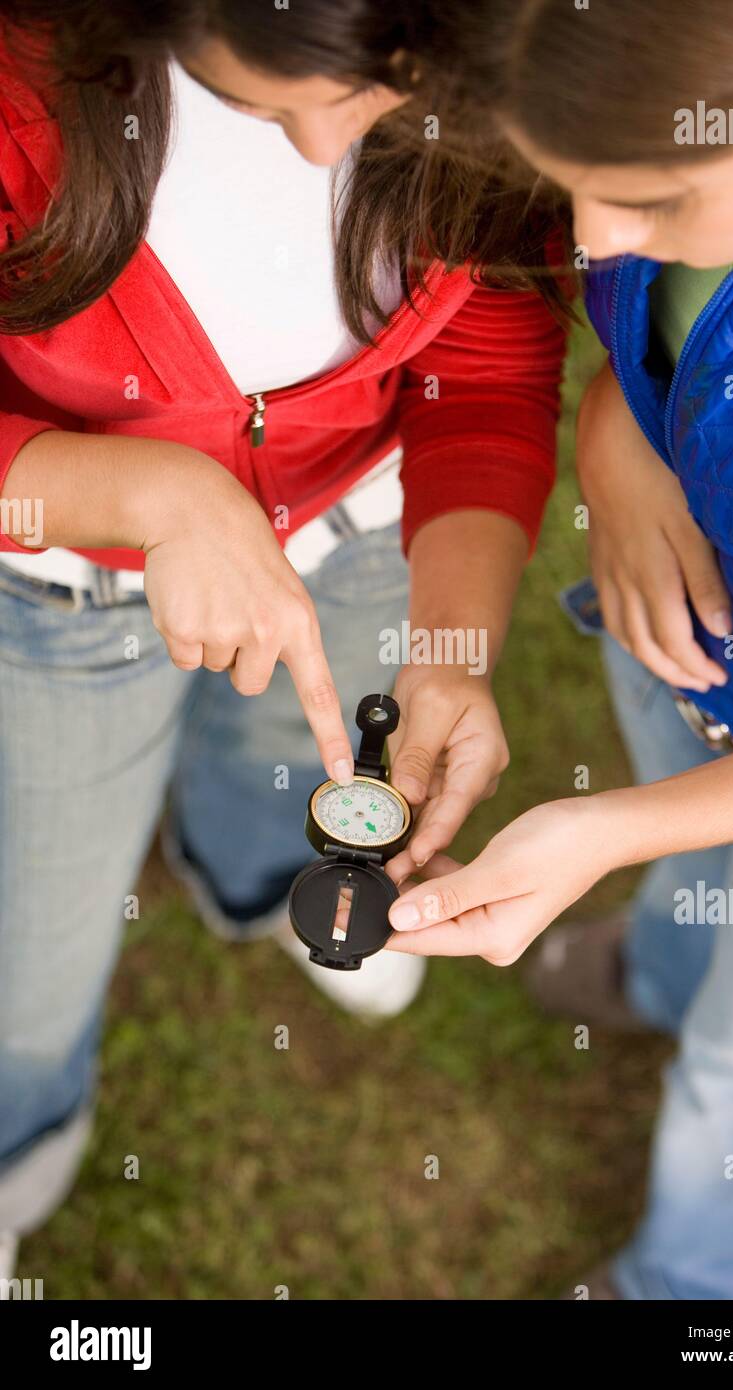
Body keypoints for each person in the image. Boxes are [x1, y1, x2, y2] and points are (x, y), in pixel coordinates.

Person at [0, 0, 569, 1286]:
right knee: (36, 932)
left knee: (291, 761)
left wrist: (453, 645)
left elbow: (484, 366)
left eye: (383, 92)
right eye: (254, 102)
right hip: (54, 585)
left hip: (363, 535)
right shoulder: (19, 94)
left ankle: (255, 882)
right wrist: (145, 497)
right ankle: (16, 1149)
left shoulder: (493, 87)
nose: (324, 151)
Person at [386, 0, 733, 1299]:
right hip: (695, 652)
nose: (592, 239)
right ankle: (664, 962)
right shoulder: (670, 129)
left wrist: (601, 829)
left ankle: (719, 1283)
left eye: (646, 201)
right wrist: (613, 419)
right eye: (572, 192)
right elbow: (657, 323)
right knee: (685, 863)